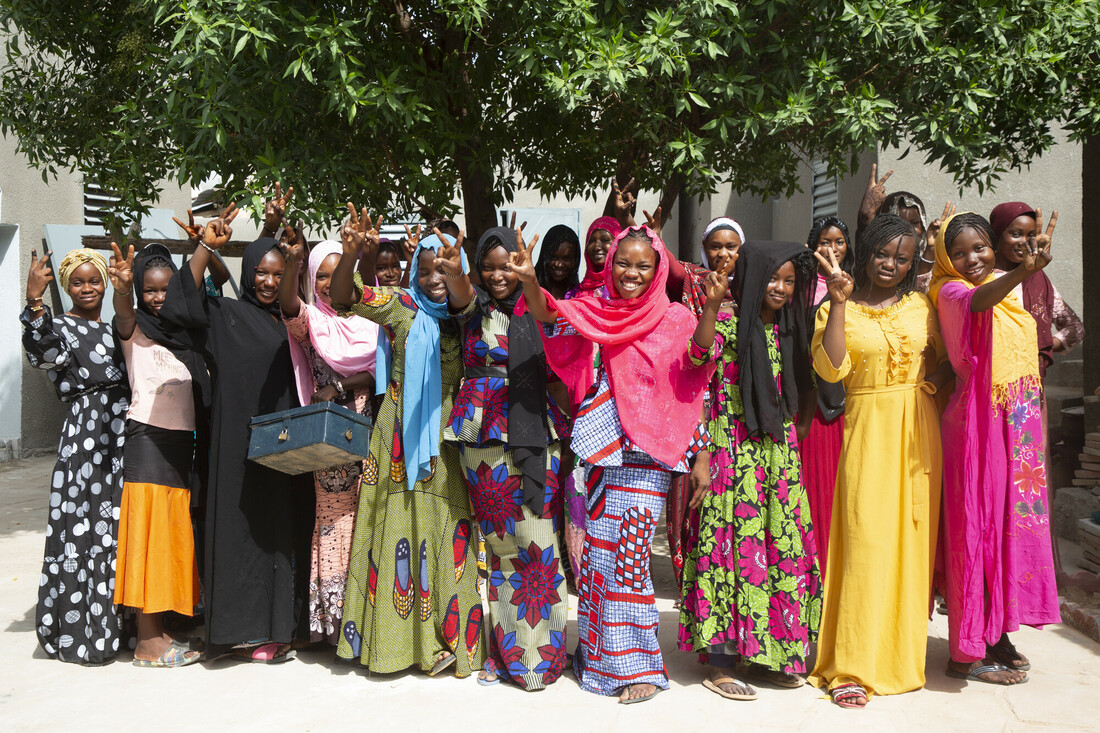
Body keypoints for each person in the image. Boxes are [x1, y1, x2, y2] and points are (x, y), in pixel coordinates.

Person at [515, 225, 716, 704]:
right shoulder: (598, 307)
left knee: (630, 562)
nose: (631, 272)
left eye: (643, 265)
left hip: (649, 454)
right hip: (601, 447)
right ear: (609, 264)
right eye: (622, 263)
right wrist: (527, 279)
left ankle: (639, 668)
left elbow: (700, 368)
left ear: (658, 268)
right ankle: (602, 660)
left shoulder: (675, 319)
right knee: (597, 561)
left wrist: (708, 309)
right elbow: (550, 314)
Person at [331, 213, 484, 678]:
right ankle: (397, 648)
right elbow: (344, 297)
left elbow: (466, 299)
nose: (434, 279)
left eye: (445, 269)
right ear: (412, 272)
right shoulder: (401, 307)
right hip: (398, 438)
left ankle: (448, 641)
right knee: (398, 533)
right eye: (426, 269)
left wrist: (458, 275)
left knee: (449, 534)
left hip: (448, 440)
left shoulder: (464, 315)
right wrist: (353, 253)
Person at [809, 214, 951, 707]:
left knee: (910, 547)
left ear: (913, 263)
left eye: (902, 258)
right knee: (865, 542)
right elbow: (830, 368)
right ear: (865, 251)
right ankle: (850, 664)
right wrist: (840, 303)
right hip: (866, 429)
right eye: (882, 254)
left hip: (918, 432)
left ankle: (898, 658)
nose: (890, 264)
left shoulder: (921, 305)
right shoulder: (838, 306)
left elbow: (948, 359)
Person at [158, 204, 311, 664]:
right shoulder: (225, 315)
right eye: (260, 273)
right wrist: (204, 246)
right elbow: (177, 309)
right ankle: (240, 633)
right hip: (238, 445)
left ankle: (281, 629)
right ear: (249, 275)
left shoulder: (292, 317)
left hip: (289, 443)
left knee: (283, 532)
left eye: (276, 273)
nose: (267, 282)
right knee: (243, 535)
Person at [678, 241, 822, 700]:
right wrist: (714, 303)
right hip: (730, 452)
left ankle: (767, 654)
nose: (780, 289)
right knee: (727, 548)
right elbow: (697, 362)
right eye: (773, 279)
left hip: (777, 459)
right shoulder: (725, 321)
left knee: (779, 547)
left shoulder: (787, 327)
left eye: (789, 281)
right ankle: (721, 661)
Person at [932, 211, 1061, 686]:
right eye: (960, 251)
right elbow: (978, 303)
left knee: (1010, 529)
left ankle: (999, 634)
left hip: (1016, 423)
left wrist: (1025, 271)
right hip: (978, 423)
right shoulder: (950, 290)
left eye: (980, 248)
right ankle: (966, 651)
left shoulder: (1008, 285)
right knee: (978, 531)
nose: (972, 259)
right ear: (946, 256)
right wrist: (1025, 271)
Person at [444, 226, 569, 689]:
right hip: (484, 433)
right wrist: (457, 271)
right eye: (489, 266)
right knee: (501, 549)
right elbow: (459, 294)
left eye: (507, 266)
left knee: (539, 544)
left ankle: (543, 658)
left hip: (536, 429)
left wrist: (530, 277)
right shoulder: (473, 307)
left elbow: (546, 316)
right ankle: (505, 653)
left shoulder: (536, 306)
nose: (499, 275)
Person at [22, 247, 130, 665]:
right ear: (66, 287)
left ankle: (124, 624)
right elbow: (42, 352)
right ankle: (83, 632)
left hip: (124, 435)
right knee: (85, 530)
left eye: (94, 280)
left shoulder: (116, 326)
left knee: (118, 529)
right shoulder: (60, 327)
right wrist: (34, 303)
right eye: (77, 282)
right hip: (88, 440)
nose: (87, 288)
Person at [110, 240, 206, 668]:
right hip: (147, 441)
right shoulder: (137, 331)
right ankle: (147, 642)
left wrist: (204, 248)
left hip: (178, 445)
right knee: (148, 539)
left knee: (167, 539)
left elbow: (196, 283)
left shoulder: (186, 334)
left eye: (167, 288)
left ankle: (162, 628)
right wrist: (123, 289)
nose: (159, 297)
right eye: (150, 289)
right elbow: (125, 312)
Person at [278, 237, 378, 646]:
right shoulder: (313, 322)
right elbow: (288, 309)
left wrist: (340, 383)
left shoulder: (370, 318)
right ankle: (337, 629)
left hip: (370, 429)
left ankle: (368, 621)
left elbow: (381, 370)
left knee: (369, 521)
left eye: (337, 274)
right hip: (332, 437)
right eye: (321, 274)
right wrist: (294, 265)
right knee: (335, 523)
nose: (327, 283)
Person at [664, 217, 744, 587]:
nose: (724, 253)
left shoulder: (756, 289)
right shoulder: (695, 284)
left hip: (738, 413)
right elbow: (673, 268)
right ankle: (693, 590)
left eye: (731, 246)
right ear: (704, 250)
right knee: (690, 502)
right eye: (716, 246)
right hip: (693, 405)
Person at [798, 216, 853, 575]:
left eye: (839, 242)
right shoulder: (798, 286)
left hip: (848, 402)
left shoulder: (856, 287)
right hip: (810, 402)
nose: (831, 249)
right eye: (823, 242)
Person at [990, 202, 1084, 379]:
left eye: (1031, 235)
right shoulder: (978, 277)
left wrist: (1040, 345)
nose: (1024, 242)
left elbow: (1075, 328)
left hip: (1027, 381)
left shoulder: (1036, 280)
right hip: (985, 379)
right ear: (996, 234)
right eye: (1016, 234)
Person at [535, 224, 581, 301]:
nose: (559, 264)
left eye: (566, 258)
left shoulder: (580, 294)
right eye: (554, 257)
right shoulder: (528, 288)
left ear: (575, 260)